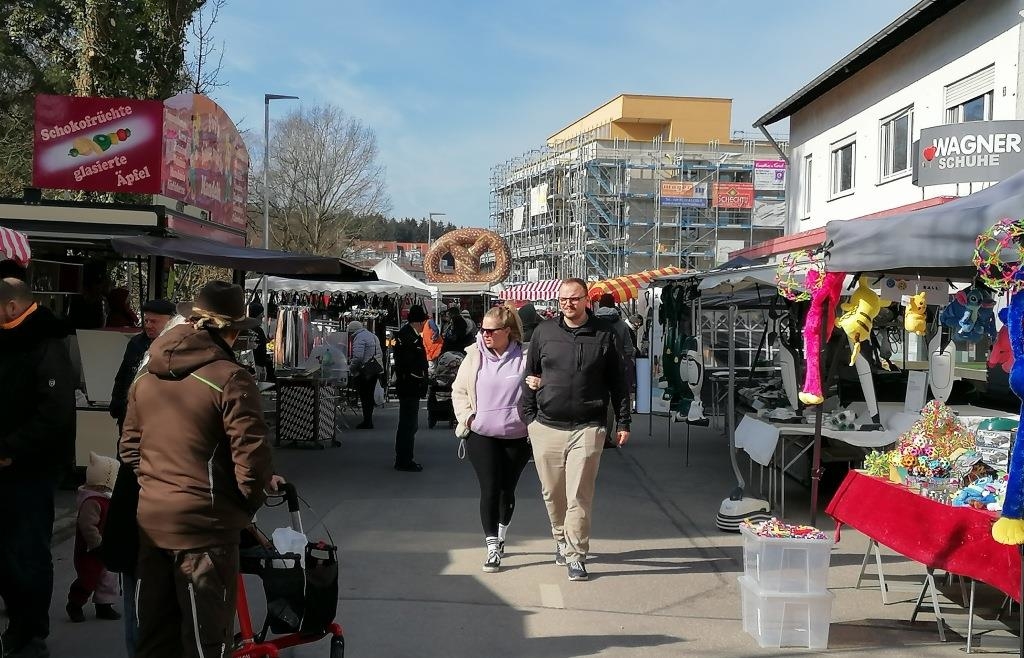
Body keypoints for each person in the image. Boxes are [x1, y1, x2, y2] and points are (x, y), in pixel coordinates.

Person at [119, 281, 277, 658]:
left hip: (153, 521)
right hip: (205, 530)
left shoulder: (147, 371)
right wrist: (243, 507)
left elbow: (129, 447)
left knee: (155, 639)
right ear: (232, 330)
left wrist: (161, 486)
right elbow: (251, 464)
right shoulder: (230, 378)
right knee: (205, 643)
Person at [522, 278, 631, 582]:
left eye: (574, 299)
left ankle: (576, 554)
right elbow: (530, 375)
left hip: (588, 425)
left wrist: (623, 421)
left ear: (587, 300)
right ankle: (560, 537)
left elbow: (619, 383)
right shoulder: (544, 332)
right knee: (552, 493)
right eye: (562, 300)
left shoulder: (605, 335)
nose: (567, 304)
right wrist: (528, 417)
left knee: (579, 495)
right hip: (546, 425)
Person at [0, 277, 76, 658]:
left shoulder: (46, 341)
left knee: (27, 551)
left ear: (12, 306)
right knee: (7, 554)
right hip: (8, 465)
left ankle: (31, 633)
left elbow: (55, 411)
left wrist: (11, 448)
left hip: (30, 467)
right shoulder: (10, 337)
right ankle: (17, 625)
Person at [452, 306, 540, 573]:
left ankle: (501, 536)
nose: (485, 334)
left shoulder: (525, 356)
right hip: (482, 434)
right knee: (489, 488)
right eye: (483, 329)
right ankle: (491, 547)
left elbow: (539, 388)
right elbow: (459, 391)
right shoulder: (473, 356)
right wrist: (468, 419)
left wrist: (537, 388)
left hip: (517, 435)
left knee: (506, 490)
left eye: (491, 330)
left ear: (508, 332)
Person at [66, 452, 121, 624]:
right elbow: (87, 526)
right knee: (88, 577)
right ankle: (75, 603)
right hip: (91, 550)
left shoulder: (106, 499)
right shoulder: (93, 501)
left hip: (104, 546)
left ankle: (104, 605)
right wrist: (96, 543)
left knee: (107, 578)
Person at [109, 299, 176, 432]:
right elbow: (123, 375)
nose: (148, 325)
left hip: (160, 415)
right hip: (130, 412)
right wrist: (117, 404)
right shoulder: (136, 343)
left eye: (154, 321)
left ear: (170, 322)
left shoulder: (177, 346)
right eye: (146, 321)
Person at [595, 293, 637, 448]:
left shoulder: (593, 322)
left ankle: (597, 434)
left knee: (598, 399)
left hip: (597, 366)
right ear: (614, 305)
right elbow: (629, 348)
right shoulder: (622, 324)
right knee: (614, 401)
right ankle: (607, 436)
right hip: (618, 366)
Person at [392, 304, 429, 472]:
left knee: (408, 424)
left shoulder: (408, 335)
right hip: (409, 386)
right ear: (419, 322)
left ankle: (404, 457)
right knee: (408, 424)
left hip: (409, 385)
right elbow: (408, 365)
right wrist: (421, 379)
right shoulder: (408, 337)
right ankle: (404, 460)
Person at [348, 320, 384, 429]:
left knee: (365, 396)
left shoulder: (359, 338)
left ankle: (367, 421)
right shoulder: (373, 336)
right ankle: (368, 420)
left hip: (365, 371)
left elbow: (358, 357)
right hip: (374, 370)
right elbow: (380, 353)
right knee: (369, 395)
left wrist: (351, 368)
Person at [246, 301, 276, 382]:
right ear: (256, 314)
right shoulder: (255, 330)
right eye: (261, 314)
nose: (263, 316)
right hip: (257, 366)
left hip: (259, 365)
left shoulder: (256, 329)